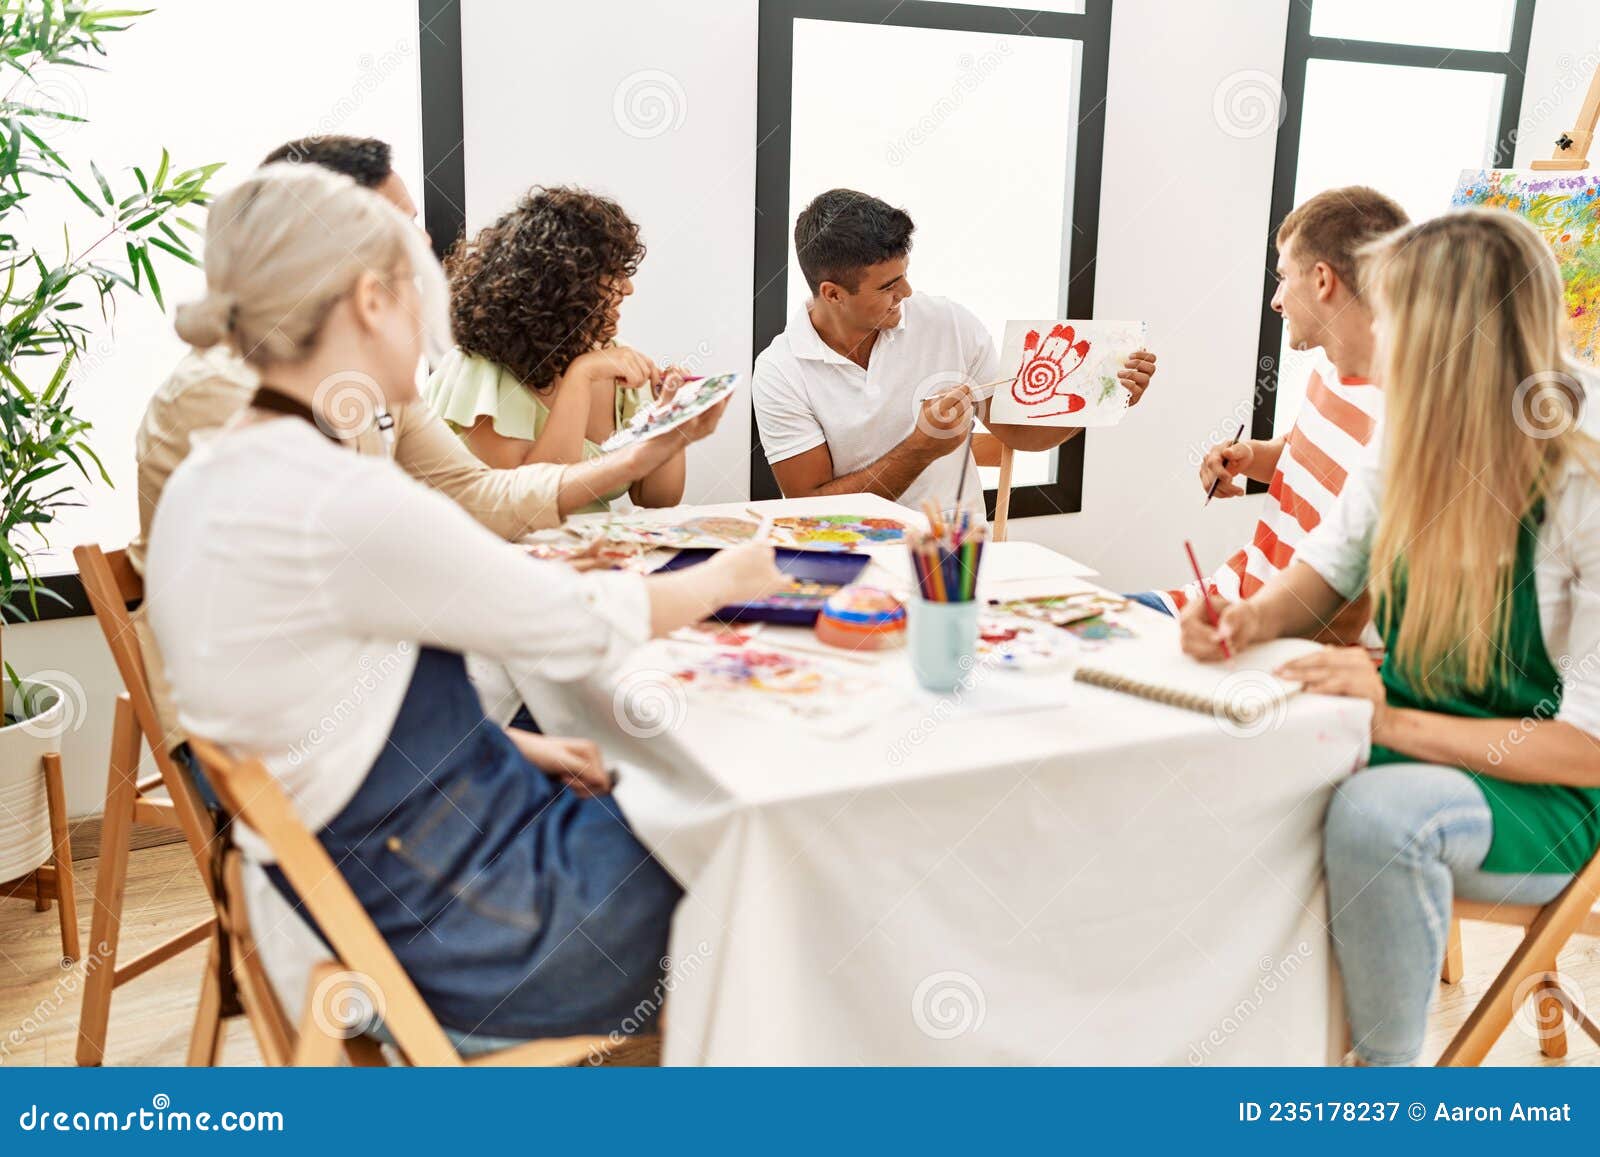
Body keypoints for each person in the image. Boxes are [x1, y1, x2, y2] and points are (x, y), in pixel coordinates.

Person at [146, 164, 785, 1041]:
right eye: (419, 289)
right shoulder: (342, 498)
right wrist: (733, 576)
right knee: (765, 833)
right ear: (372, 301)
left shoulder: (216, 477)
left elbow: (322, 700)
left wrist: (510, 743)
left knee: (686, 789)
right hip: (481, 934)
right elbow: (575, 626)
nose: (433, 321)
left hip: (351, 900)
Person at [130, 137, 716, 754]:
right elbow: (389, 567)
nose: (425, 252)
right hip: (297, 741)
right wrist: (724, 582)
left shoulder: (352, 385)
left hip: (362, 717)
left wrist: (642, 453)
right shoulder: (232, 405)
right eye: (401, 231)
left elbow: (471, 488)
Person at [1180, 208, 1600, 1066]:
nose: (1374, 333)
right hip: (1409, 730)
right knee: (1229, 759)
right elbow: (1327, 572)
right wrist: (1247, 617)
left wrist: (1392, 722)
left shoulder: (1584, 480)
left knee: (1377, 817)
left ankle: (1382, 1090)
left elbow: (1588, 750)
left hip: (1542, 797)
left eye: (1395, 312)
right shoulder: (1410, 428)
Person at [752, 189, 1158, 511]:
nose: (906, 293)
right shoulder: (781, 371)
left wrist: (1100, 397)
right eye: (887, 286)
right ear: (833, 294)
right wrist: (921, 448)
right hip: (850, 562)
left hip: (954, 559)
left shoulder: (947, 323)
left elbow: (1018, 433)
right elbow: (810, 509)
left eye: (905, 275)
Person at [1126, 186, 1406, 623]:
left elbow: (1351, 607)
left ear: (1321, 279)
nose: (1276, 300)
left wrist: (1246, 629)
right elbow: (1303, 460)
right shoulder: (1330, 373)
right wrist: (1249, 456)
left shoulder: (1403, 418)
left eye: (1283, 278)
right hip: (1222, 597)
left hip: (1259, 631)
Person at [426, 186, 687, 511]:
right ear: (559, 283)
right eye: (612, 273)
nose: (628, 288)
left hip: (592, 556)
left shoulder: (615, 360)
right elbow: (525, 508)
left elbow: (657, 498)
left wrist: (671, 415)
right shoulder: (481, 369)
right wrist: (581, 376)